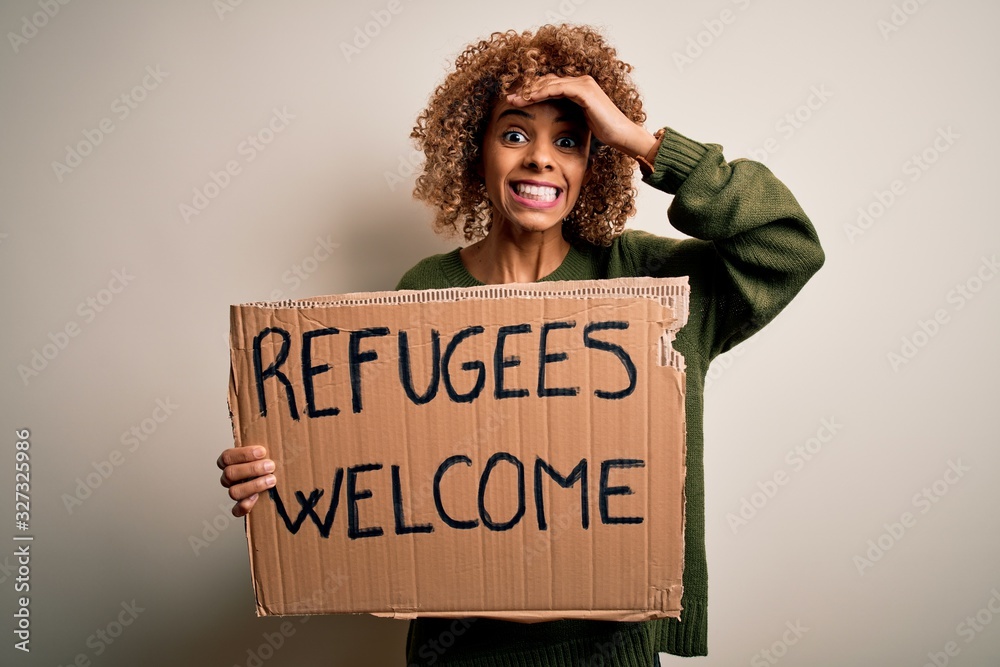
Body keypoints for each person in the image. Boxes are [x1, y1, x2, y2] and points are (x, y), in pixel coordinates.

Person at [217, 24, 824, 665]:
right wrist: (281, 472)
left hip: (608, 651)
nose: (540, 157)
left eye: (570, 140)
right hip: (461, 652)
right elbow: (379, 467)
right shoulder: (423, 290)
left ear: (595, 163)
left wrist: (645, 143)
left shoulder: (650, 286)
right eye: (514, 134)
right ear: (474, 152)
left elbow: (786, 247)